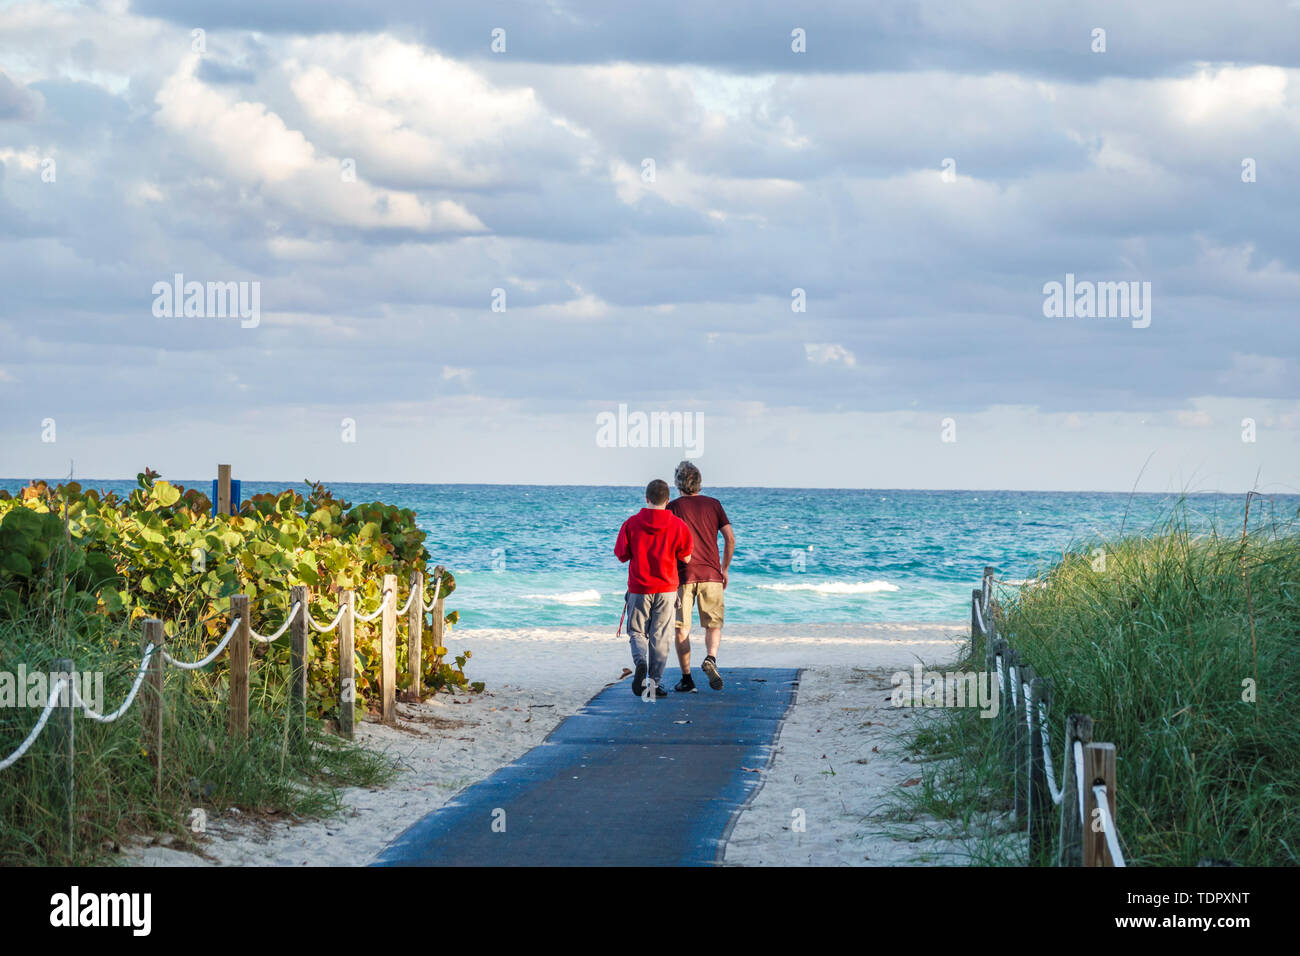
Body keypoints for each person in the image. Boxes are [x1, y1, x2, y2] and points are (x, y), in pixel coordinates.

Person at [615, 479, 693, 699]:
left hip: (639, 587)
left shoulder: (631, 523)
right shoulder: (678, 525)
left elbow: (622, 555)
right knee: (661, 636)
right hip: (667, 588)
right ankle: (653, 685)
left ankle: (640, 662)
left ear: (646, 499)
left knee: (637, 632)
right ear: (667, 501)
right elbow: (686, 557)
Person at [667, 461, 734, 691]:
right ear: (699, 483)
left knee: (681, 628)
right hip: (711, 574)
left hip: (683, 576)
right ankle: (710, 659)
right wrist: (724, 569)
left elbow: (666, 544)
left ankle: (687, 679)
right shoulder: (714, 505)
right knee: (713, 625)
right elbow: (730, 538)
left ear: (678, 483)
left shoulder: (673, 507)